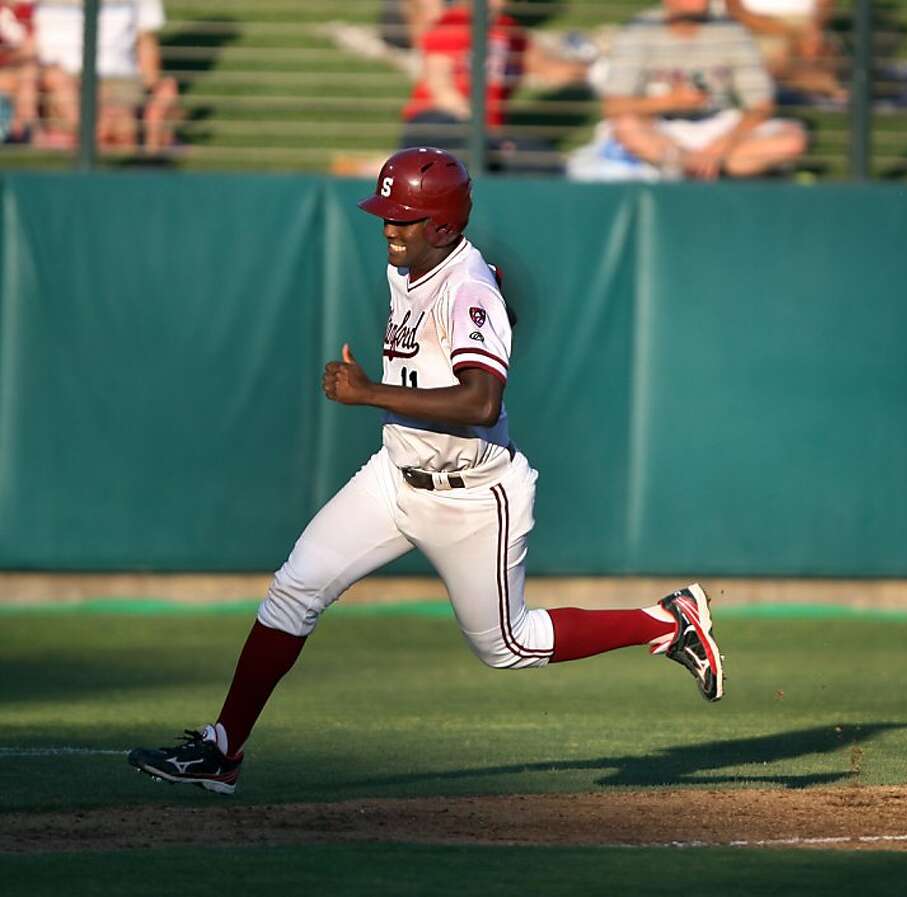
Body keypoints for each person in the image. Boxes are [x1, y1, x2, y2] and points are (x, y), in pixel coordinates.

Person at [127, 147, 726, 796]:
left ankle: (668, 620)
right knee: (294, 590)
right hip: (395, 473)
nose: (388, 226)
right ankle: (223, 749)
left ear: (442, 227)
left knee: (508, 644)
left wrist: (370, 394)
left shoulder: (467, 288)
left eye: (403, 217)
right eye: (386, 214)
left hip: (472, 496)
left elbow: (481, 400)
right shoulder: (416, 262)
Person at [599, 0, 807, 181]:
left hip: (720, 129)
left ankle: (696, 169)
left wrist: (720, 147)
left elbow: (761, 106)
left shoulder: (730, 31)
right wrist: (669, 102)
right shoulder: (640, 29)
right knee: (626, 127)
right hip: (662, 129)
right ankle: (703, 168)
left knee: (791, 140)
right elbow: (613, 106)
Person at [401, 0, 586, 167]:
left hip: (485, 135)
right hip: (441, 122)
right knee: (462, 156)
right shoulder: (454, 22)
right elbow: (441, 86)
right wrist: (479, 127)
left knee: (542, 161)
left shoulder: (509, 30)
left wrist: (591, 68)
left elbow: (549, 69)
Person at [34, 0, 180, 151]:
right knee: (65, 94)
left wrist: (152, 90)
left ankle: (120, 140)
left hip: (119, 78)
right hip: (60, 77)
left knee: (122, 123)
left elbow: (146, 40)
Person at [724, 0, 846, 101]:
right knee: (777, 58)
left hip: (806, 23)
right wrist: (792, 34)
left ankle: (819, 89)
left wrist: (815, 26)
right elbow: (735, 10)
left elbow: (826, 4)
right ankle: (825, 89)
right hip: (761, 26)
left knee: (823, 51)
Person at [0, 1, 37, 142]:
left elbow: (33, 47)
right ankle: (26, 129)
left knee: (56, 77)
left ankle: (24, 128)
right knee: (28, 75)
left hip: (22, 70)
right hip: (10, 71)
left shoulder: (25, 10)